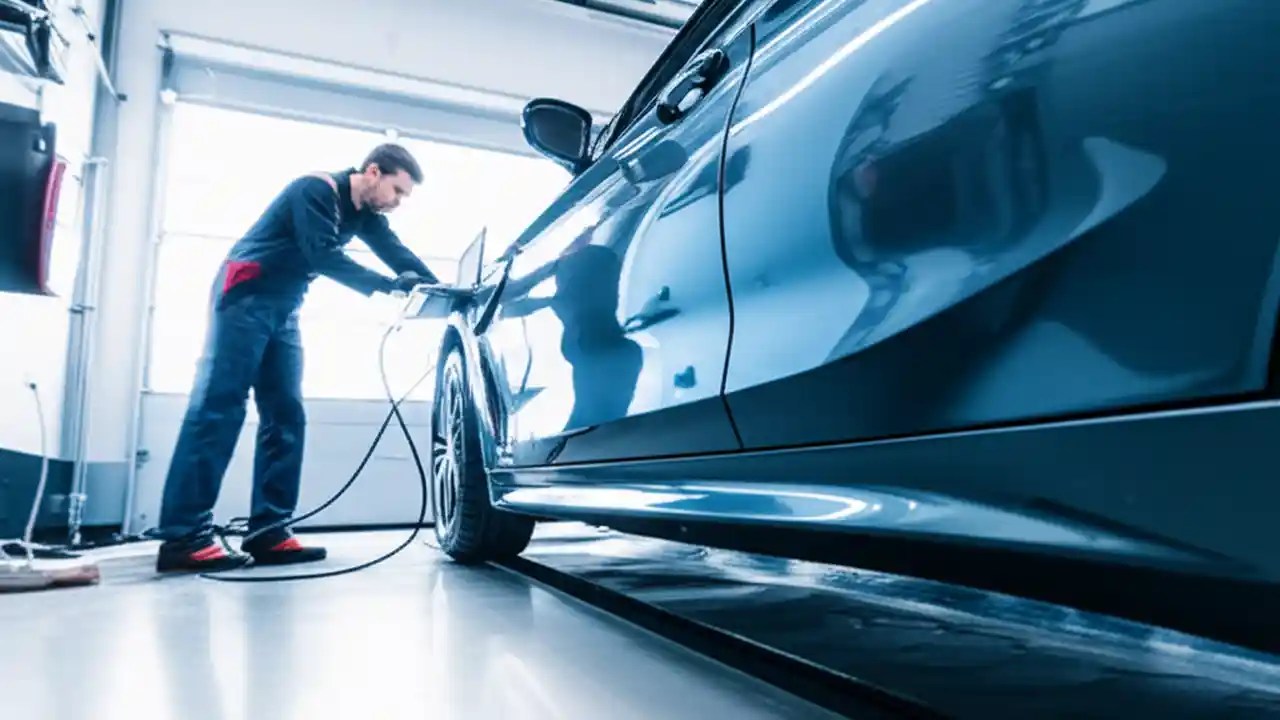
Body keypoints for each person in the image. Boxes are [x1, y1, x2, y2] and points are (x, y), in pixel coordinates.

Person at [153, 143, 439, 573]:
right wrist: (388, 286)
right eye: (398, 192)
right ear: (374, 172)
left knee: (286, 414)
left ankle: (269, 530)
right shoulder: (315, 189)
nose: (398, 203)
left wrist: (441, 292)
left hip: (284, 308)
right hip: (246, 295)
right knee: (220, 405)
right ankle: (183, 537)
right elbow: (321, 254)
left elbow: (397, 253)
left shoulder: (366, 215)